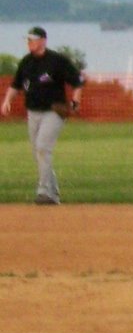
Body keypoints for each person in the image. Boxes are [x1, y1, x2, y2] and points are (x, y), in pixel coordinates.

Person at [2, 26, 83, 204]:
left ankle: (44, 191)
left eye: (33, 39)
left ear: (43, 41)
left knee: (43, 148)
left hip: (53, 111)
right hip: (33, 112)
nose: (29, 42)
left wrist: (75, 101)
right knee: (39, 153)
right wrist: (7, 101)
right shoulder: (26, 62)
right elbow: (16, 85)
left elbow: (77, 81)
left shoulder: (56, 61)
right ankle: (53, 194)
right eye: (28, 39)